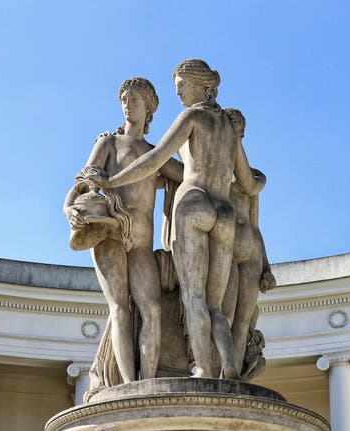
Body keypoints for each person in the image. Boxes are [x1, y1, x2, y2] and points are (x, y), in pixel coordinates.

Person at [93, 59, 263, 379]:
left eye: (182, 85)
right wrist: (262, 180)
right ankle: (228, 363)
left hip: (195, 202)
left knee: (194, 296)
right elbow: (248, 184)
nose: (179, 92)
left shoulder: (191, 116)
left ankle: (204, 367)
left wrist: (112, 181)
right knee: (215, 305)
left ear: (200, 84)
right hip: (224, 212)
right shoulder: (229, 128)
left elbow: (156, 159)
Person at [63, 77, 181, 381]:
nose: (128, 105)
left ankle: (147, 382)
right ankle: (128, 385)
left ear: (148, 107)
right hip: (109, 234)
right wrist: (69, 210)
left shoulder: (156, 154)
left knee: (152, 310)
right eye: (124, 100)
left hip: (141, 240)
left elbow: (189, 176)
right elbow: (81, 184)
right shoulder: (109, 143)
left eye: (134, 100)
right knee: (119, 310)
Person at [221, 108, 276, 373]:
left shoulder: (254, 177)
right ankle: (222, 369)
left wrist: (267, 266)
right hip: (226, 246)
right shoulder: (214, 173)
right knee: (226, 313)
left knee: (243, 320)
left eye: (239, 134)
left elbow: (255, 224)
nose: (235, 138)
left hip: (251, 249)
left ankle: (233, 377)